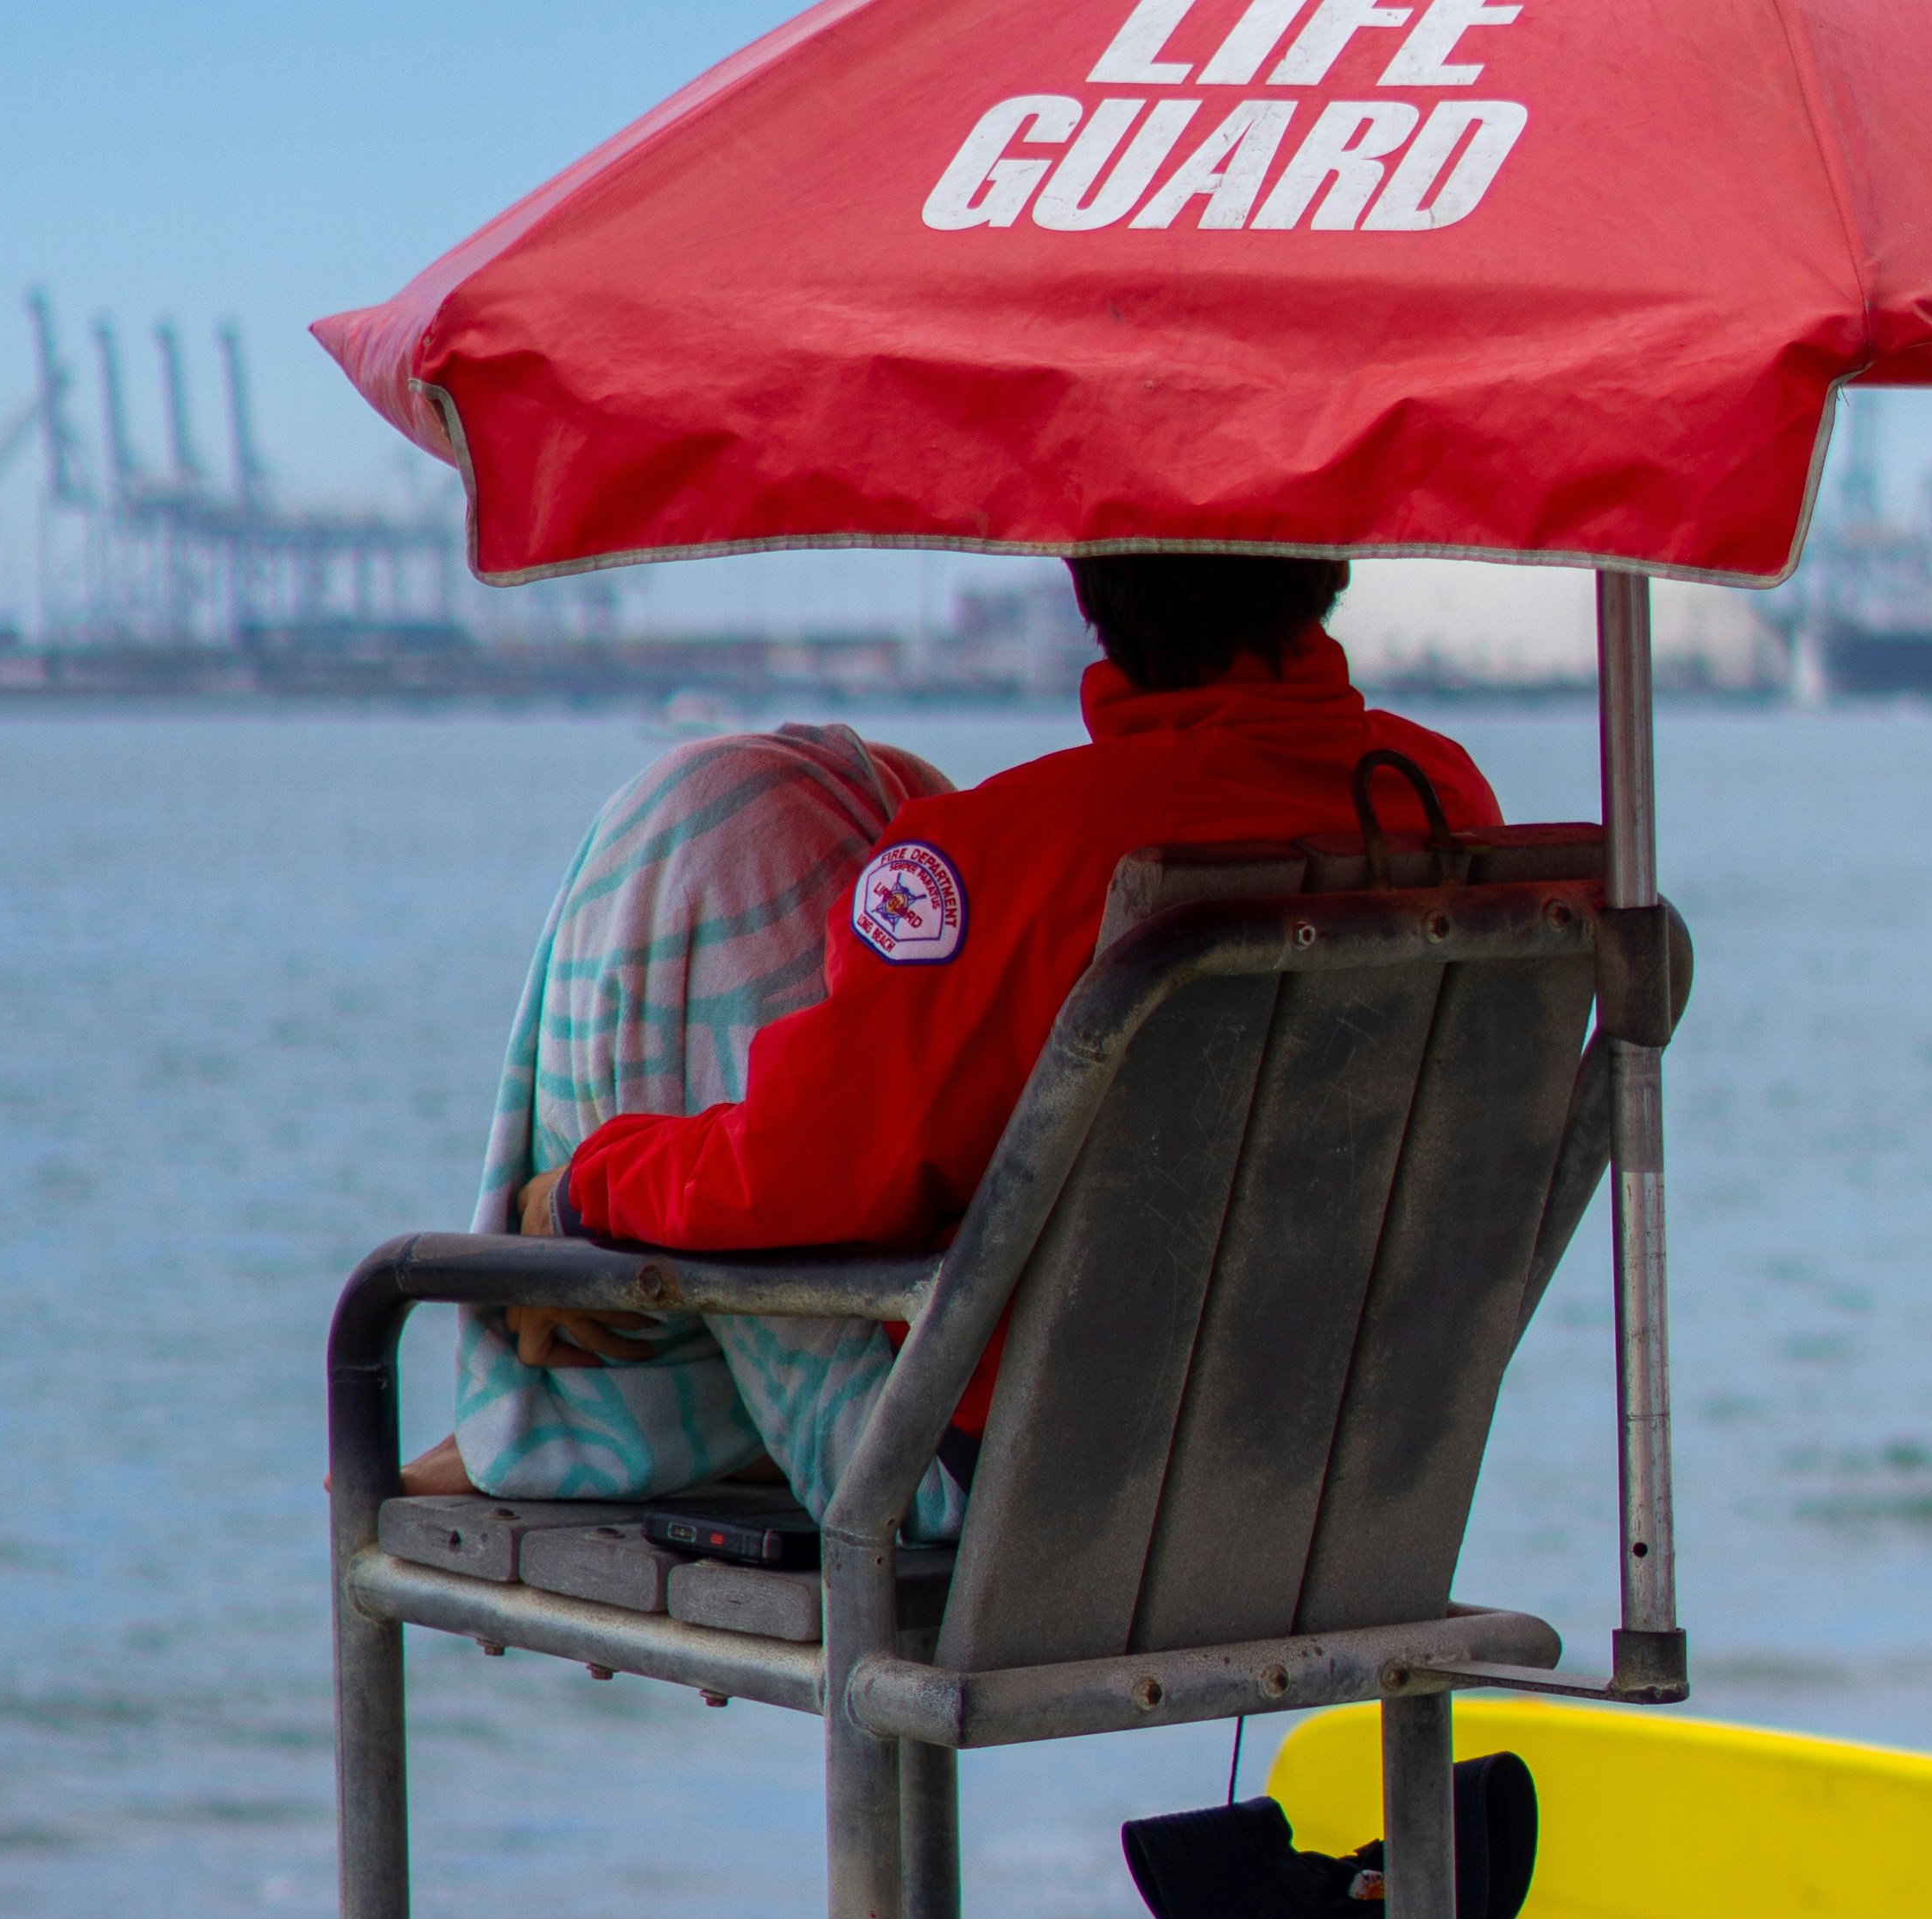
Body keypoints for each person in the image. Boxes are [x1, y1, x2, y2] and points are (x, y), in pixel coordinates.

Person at [400, 556, 1497, 1523]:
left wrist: (583, 1192)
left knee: (712, 804)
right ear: (1324, 566)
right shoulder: (1448, 801)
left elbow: (803, 1177)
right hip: (1346, 1464)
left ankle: (571, 1423)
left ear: (1082, 580)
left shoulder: (1010, 852)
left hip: (1017, 1487)